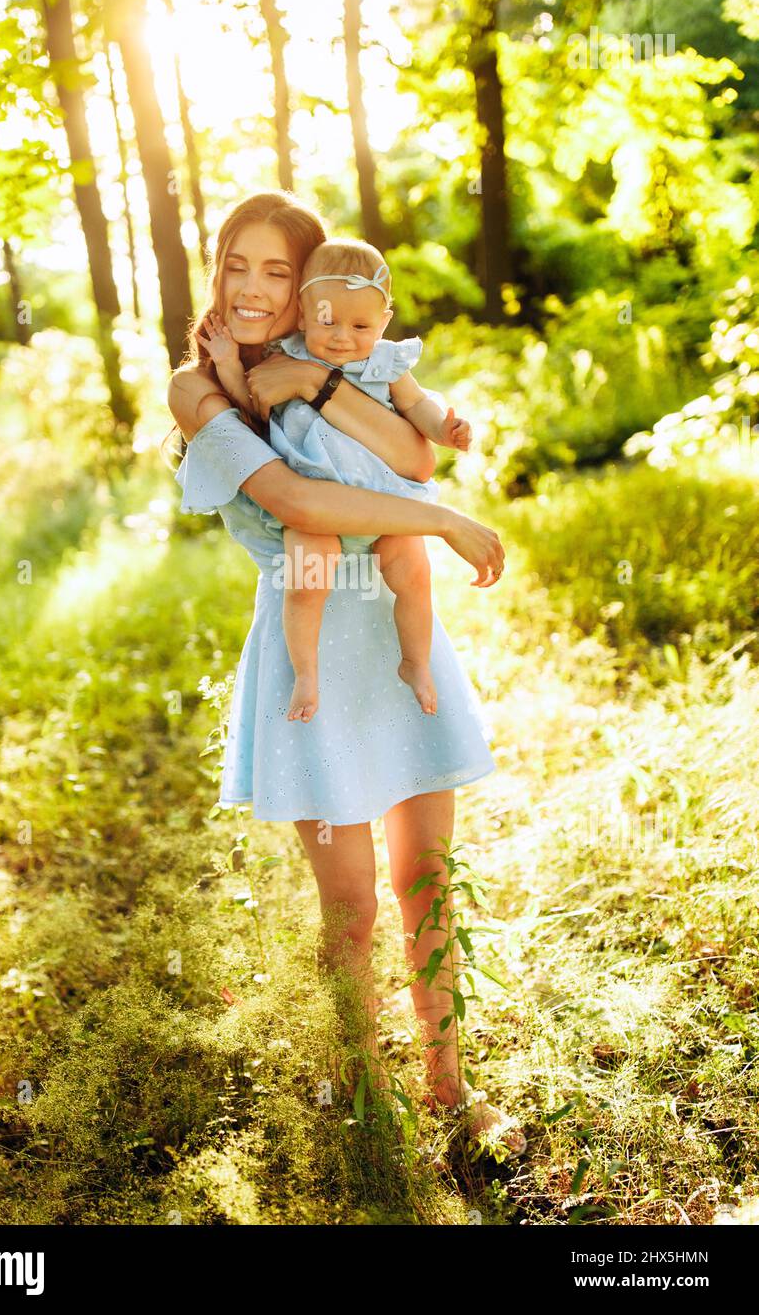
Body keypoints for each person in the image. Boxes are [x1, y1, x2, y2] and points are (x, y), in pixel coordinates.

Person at [166, 190, 526, 1156]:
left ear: (310, 288)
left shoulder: (340, 367)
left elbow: (416, 452)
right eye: (236, 265)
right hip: (309, 644)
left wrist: (317, 386)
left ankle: (450, 1085)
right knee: (354, 901)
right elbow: (292, 497)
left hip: (399, 636)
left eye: (277, 272)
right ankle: (362, 1089)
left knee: (427, 877)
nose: (252, 288)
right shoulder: (195, 388)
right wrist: (444, 524)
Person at [196, 237, 473, 724]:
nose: (343, 336)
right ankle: (306, 673)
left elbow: (417, 406)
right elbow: (250, 406)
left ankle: (416, 662)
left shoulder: (386, 362)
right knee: (306, 580)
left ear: (383, 323)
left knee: (413, 574)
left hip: (385, 505)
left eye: (360, 325)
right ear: (302, 315)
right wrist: (226, 365)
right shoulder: (286, 358)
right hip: (317, 503)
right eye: (327, 320)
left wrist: (444, 430)